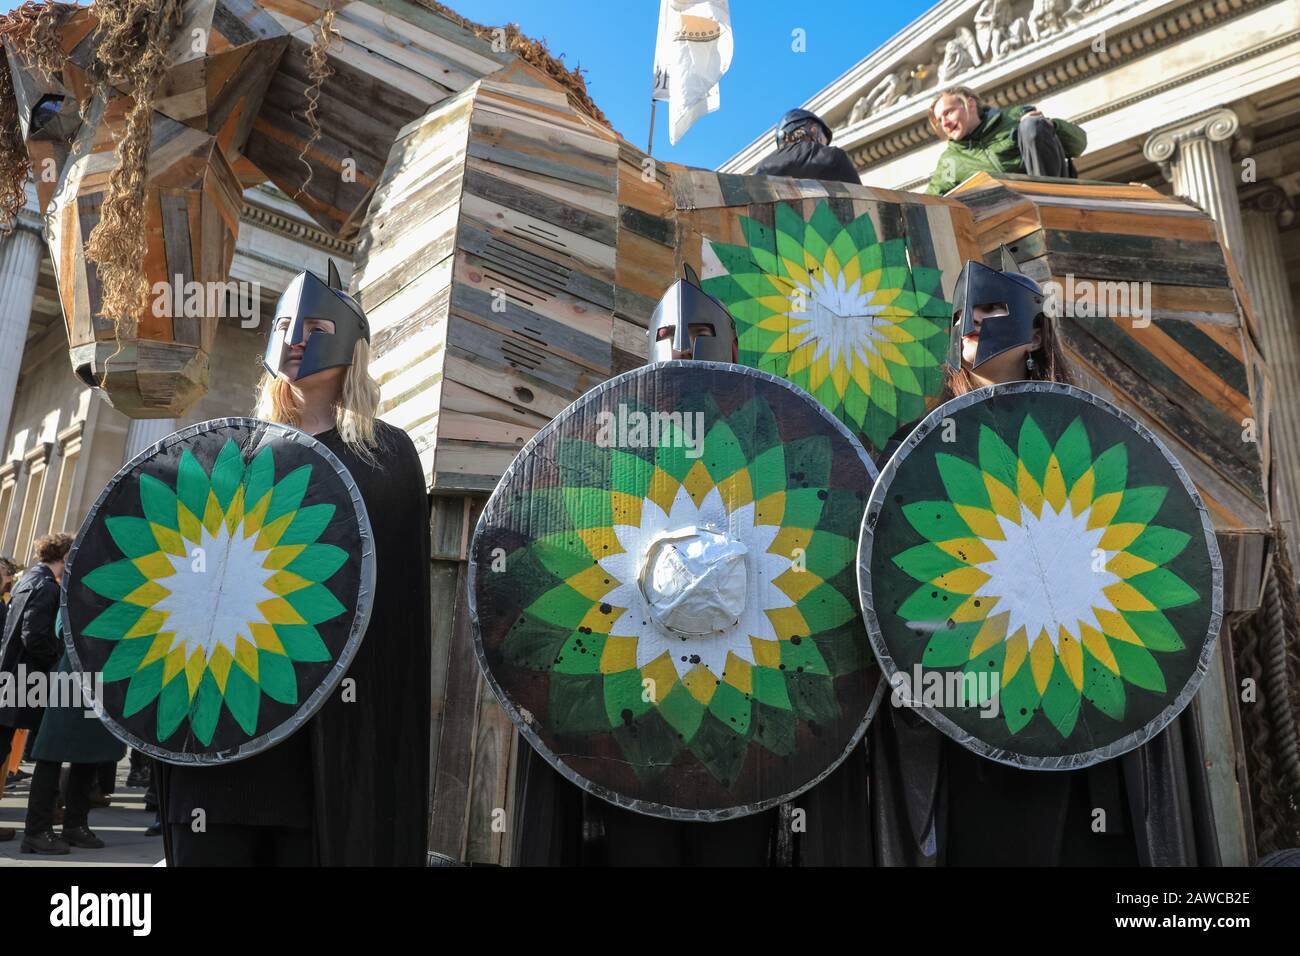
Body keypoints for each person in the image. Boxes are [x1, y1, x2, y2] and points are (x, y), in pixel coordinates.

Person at [867, 253, 1219, 865]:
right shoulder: (917, 447)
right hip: (980, 704)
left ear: (1034, 331)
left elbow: (1148, 558)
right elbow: (902, 597)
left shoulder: (1095, 440)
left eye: (991, 310)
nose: (971, 327)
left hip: (1091, 687)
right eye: (961, 316)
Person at [512, 271, 873, 866]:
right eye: (669, 331)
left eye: (701, 331)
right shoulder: (617, 441)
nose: (682, 344)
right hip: (636, 682)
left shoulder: (767, 438)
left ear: (733, 347)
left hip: (745, 675)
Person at [156, 261, 431, 866]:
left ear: (350, 345)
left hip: (326, 745)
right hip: (222, 721)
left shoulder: (385, 455)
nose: (295, 337)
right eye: (283, 323)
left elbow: (392, 610)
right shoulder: (229, 451)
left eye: (313, 324)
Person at [22, 608, 126, 854]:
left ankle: (75, 824)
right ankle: (36, 831)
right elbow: (62, 627)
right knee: (51, 752)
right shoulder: (79, 578)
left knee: (89, 752)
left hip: (101, 676)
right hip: (74, 673)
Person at [0, 537, 71, 845]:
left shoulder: (28, 579)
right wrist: (58, 656)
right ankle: (38, 830)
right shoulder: (47, 587)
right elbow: (34, 637)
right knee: (42, 750)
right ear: (66, 555)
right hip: (25, 680)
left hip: (12, 677)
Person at [925, 87, 1087, 196]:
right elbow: (933, 200)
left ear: (970, 104)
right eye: (940, 119)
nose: (944, 123)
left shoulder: (1014, 117)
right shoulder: (951, 161)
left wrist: (1051, 126)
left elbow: (1079, 144)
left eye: (949, 112)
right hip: (1008, 219)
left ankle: (1049, 200)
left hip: (1053, 192)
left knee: (1031, 125)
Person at [755, 108, 862, 185]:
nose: (823, 147)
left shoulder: (763, 168)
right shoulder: (835, 157)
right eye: (823, 143)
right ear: (815, 132)